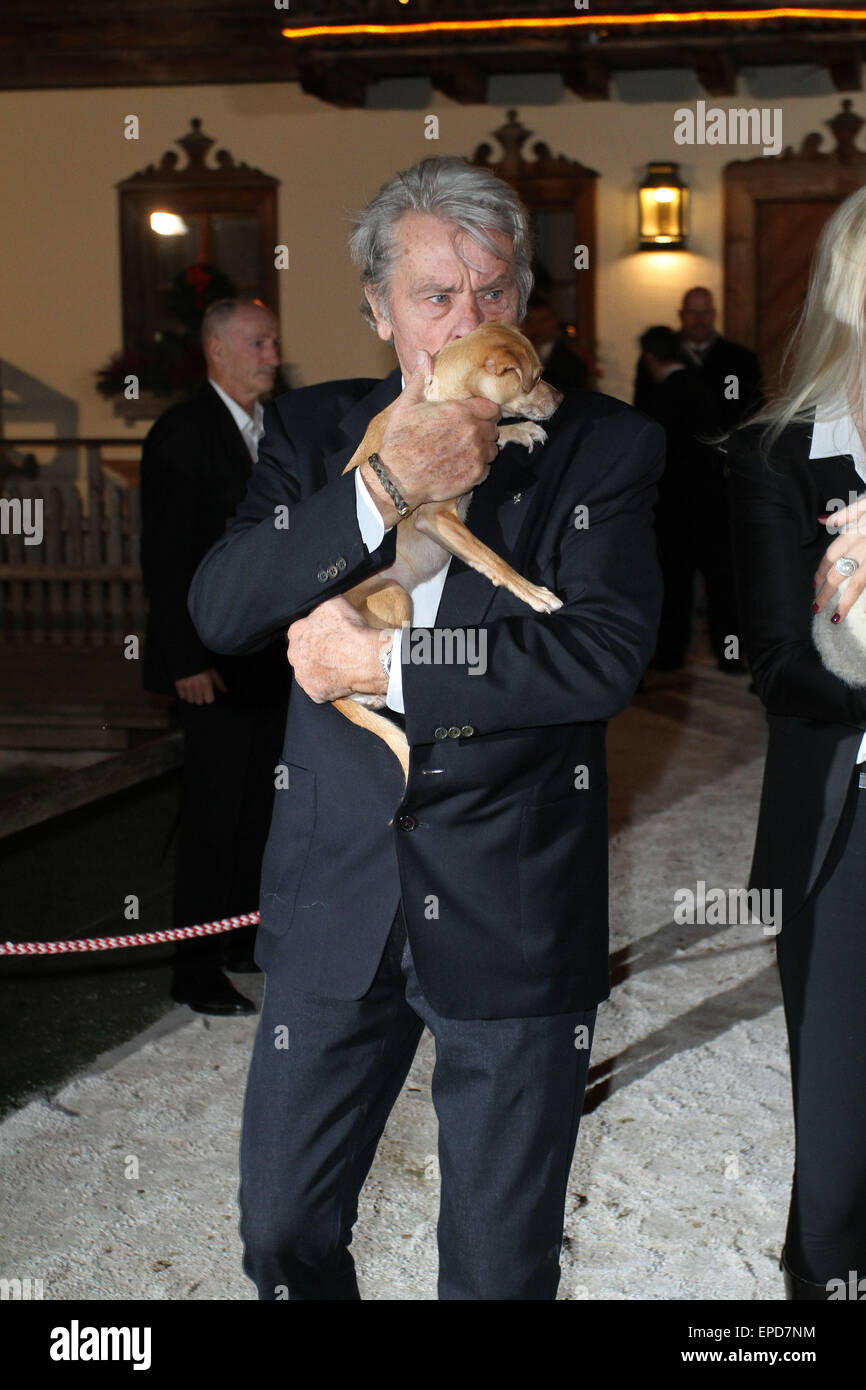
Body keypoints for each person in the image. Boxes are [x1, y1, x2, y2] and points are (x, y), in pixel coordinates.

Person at [189, 156, 663, 1300]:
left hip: (511, 897)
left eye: (492, 292)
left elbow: (599, 654)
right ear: (375, 308)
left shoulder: (600, 444)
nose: (467, 319)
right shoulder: (308, 435)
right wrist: (381, 491)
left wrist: (391, 659)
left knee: (496, 1272)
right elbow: (220, 606)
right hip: (333, 894)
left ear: (525, 300)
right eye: (433, 296)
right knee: (281, 1229)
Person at [726, 186, 866, 1299]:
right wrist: (846, 628)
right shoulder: (777, 458)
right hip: (842, 823)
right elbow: (776, 669)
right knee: (840, 1109)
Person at [140, 298, 291, 1017]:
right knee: (210, 816)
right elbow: (166, 561)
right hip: (208, 662)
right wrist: (185, 660)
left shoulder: (271, 426)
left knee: (259, 807)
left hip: (264, 656)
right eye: (258, 343)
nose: (272, 354)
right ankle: (192, 969)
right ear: (218, 352)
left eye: (272, 343)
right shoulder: (183, 433)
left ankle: (239, 937)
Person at [639, 325, 743, 672]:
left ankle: (671, 654)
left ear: (651, 357)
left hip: (673, 505)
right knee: (720, 581)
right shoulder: (703, 389)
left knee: (674, 581)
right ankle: (728, 654)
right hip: (713, 501)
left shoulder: (657, 399)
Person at [520, 291, 589, 393]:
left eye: (543, 320)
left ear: (555, 321)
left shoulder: (570, 359)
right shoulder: (519, 354)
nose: (537, 326)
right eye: (530, 320)